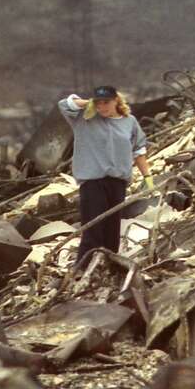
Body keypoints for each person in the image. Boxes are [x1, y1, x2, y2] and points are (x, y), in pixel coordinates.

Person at [58, 86, 152, 264]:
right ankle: (83, 268)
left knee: (112, 229)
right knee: (93, 229)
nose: (102, 107)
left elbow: (139, 150)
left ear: (116, 100)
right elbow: (64, 104)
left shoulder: (129, 121)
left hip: (118, 183)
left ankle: (109, 269)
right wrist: (89, 104)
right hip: (92, 182)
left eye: (106, 102)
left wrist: (148, 177)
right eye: (98, 103)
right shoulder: (84, 118)